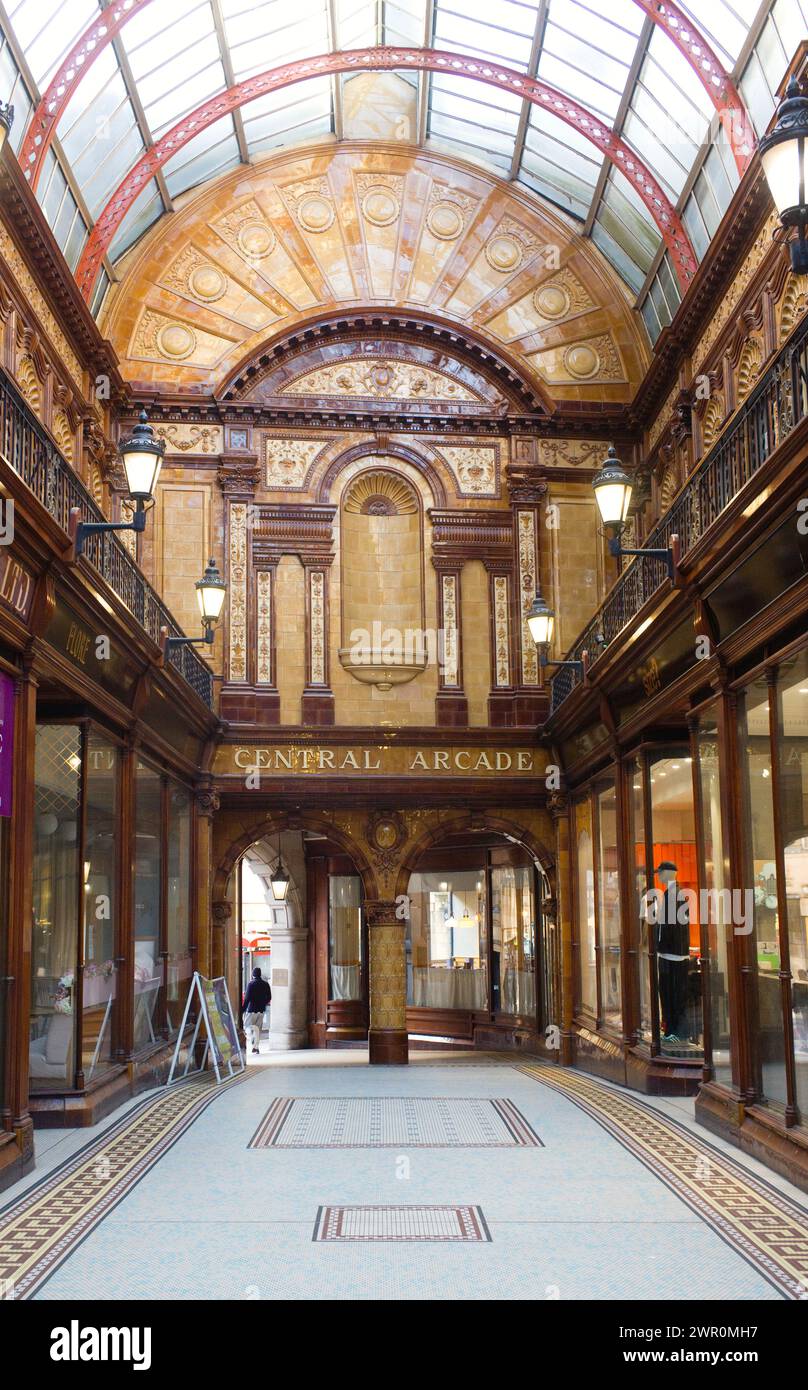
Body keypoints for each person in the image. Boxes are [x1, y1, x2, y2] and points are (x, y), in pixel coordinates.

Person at [654, 862, 690, 1043]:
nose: (658, 876)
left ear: (668, 873)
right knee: (674, 993)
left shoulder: (674, 895)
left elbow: (670, 926)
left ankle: (673, 1031)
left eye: (660, 873)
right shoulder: (674, 894)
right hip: (674, 954)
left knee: (670, 993)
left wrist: (660, 945)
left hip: (671, 955)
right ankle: (676, 1031)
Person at [242, 967, 271, 1055]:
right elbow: (269, 997)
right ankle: (256, 1047)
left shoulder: (251, 984)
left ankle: (252, 1040)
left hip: (251, 1010)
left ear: (253, 974)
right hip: (261, 1010)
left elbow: (247, 999)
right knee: (258, 1029)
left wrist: (242, 1009)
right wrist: (263, 1003)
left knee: (247, 1027)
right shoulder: (265, 984)